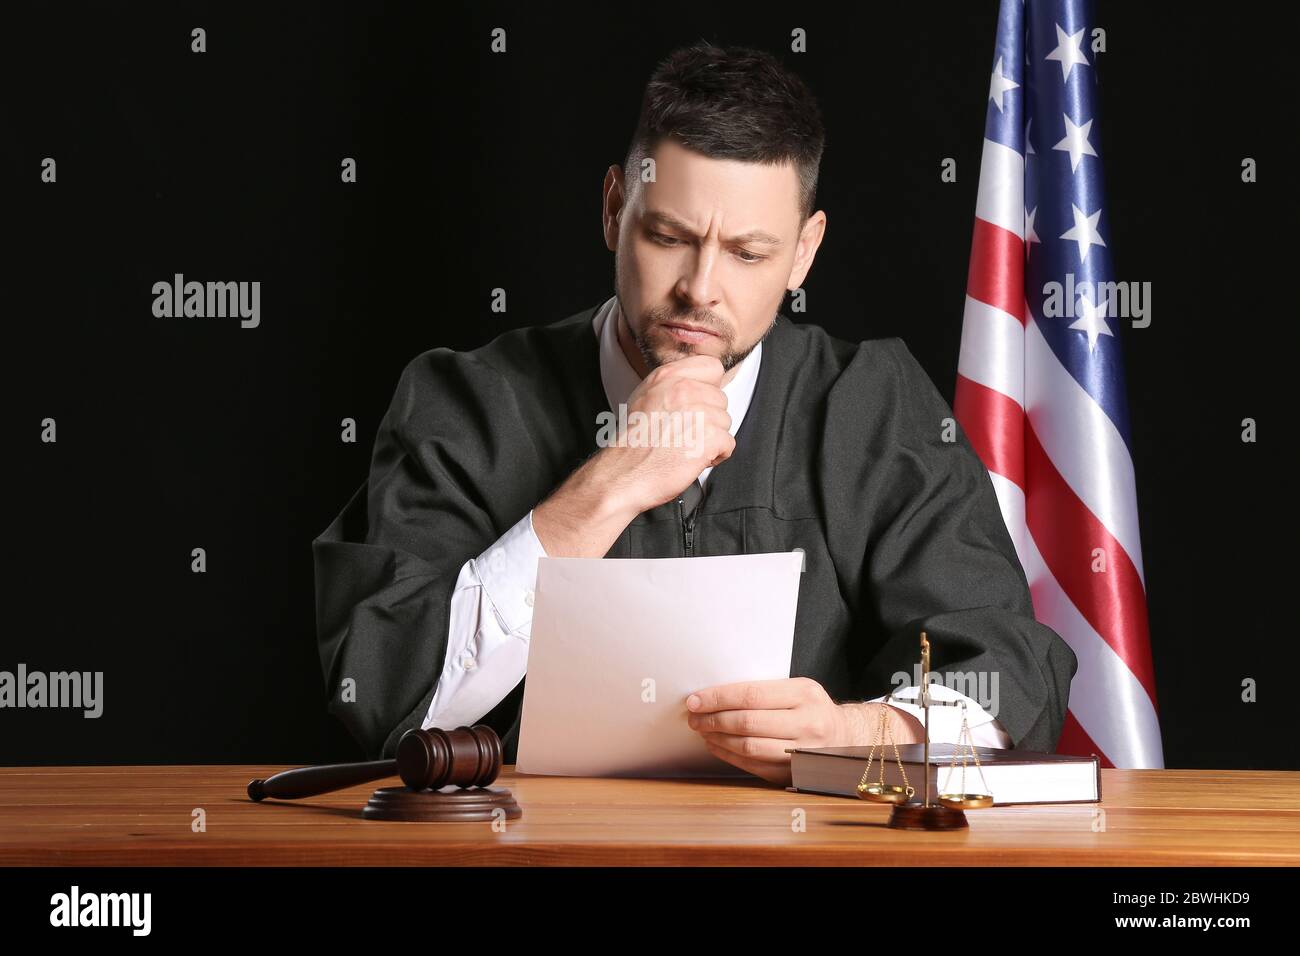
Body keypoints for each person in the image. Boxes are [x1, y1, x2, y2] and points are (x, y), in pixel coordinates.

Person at [313, 40, 1076, 787]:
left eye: (748, 253)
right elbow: (386, 697)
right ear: (616, 209)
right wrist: (610, 483)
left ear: (804, 254)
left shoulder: (869, 404)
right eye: (670, 237)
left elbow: (1008, 674)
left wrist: (851, 732)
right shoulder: (468, 401)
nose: (700, 290)